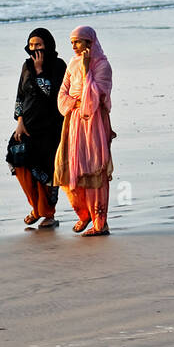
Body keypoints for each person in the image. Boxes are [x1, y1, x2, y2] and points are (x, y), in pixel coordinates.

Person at [55, 25, 115, 236]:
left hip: (94, 124)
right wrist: (75, 102)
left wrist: (87, 69)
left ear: (89, 43)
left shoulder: (102, 66)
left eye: (77, 41)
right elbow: (62, 93)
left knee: (93, 166)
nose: (73, 46)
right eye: (71, 42)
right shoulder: (72, 63)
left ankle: (100, 223)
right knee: (67, 167)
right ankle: (84, 212)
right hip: (73, 121)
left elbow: (96, 100)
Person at [6, 27, 68, 229]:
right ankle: (36, 208)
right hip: (28, 125)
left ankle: (48, 214)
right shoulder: (26, 65)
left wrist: (40, 71)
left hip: (50, 126)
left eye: (38, 45)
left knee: (46, 169)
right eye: (31, 45)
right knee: (20, 162)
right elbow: (20, 95)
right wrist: (19, 121)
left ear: (48, 45)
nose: (34, 50)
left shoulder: (58, 66)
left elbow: (54, 94)